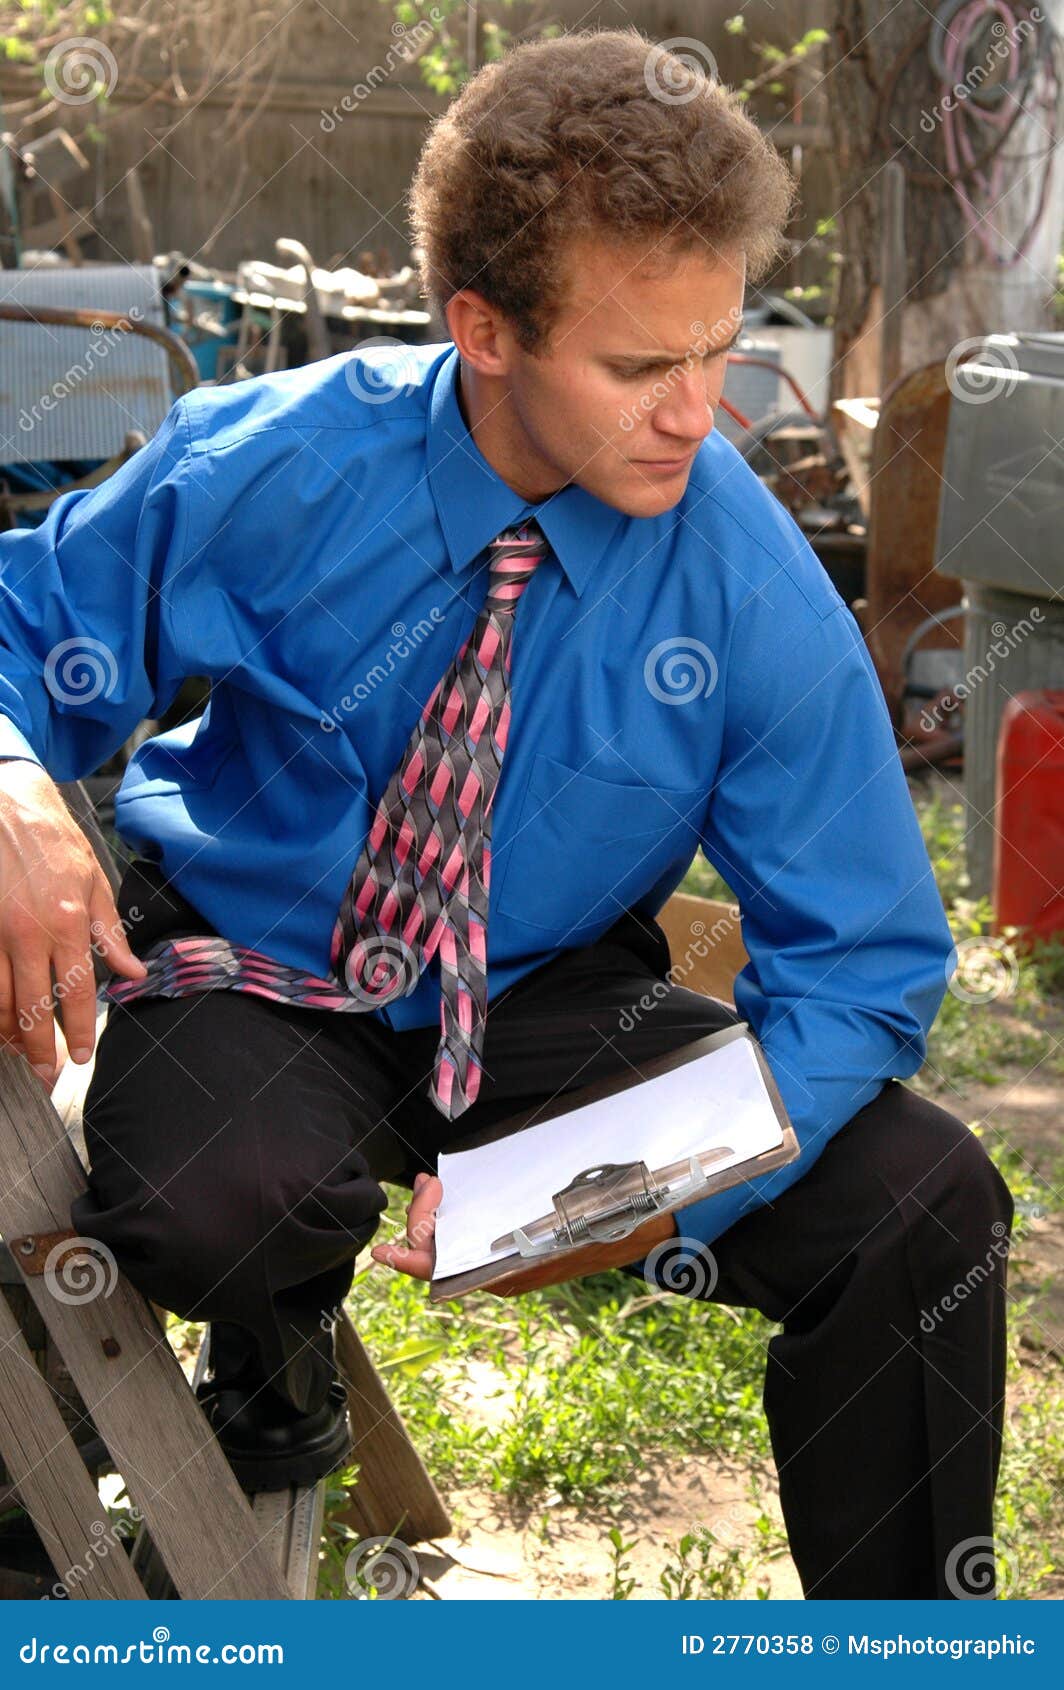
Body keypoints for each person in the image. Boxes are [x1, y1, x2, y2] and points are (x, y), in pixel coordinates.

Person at [0, 27, 1012, 1597]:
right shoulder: (279, 460)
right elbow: (17, 623)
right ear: (483, 328)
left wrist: (610, 1183)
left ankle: (895, 1641)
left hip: (542, 995)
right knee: (223, 1198)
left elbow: (865, 973)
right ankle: (271, 1379)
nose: (696, 413)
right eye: (637, 367)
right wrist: (10, 782)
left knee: (926, 1200)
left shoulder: (749, 585)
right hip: (266, 969)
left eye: (718, 354)